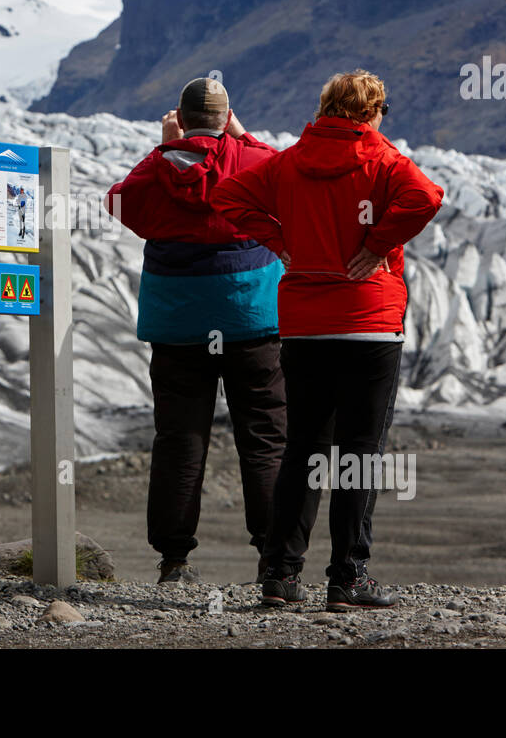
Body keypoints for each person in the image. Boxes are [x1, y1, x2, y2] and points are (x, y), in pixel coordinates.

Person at [210, 70, 443, 610]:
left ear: (324, 108)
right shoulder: (382, 159)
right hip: (368, 323)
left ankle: (280, 576)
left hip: (305, 322)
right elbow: (427, 197)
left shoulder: (289, 162)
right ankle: (347, 578)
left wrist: (281, 240)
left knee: (302, 449)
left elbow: (228, 195)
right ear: (374, 111)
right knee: (359, 453)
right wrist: (379, 241)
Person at [106, 77, 287, 584]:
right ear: (228, 118)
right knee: (265, 437)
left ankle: (174, 561)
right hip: (251, 320)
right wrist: (243, 137)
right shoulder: (255, 163)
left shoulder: (160, 168)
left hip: (179, 327)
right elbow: (285, 174)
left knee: (179, 439)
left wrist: (166, 148)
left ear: (180, 119)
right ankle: (275, 561)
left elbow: (117, 204)